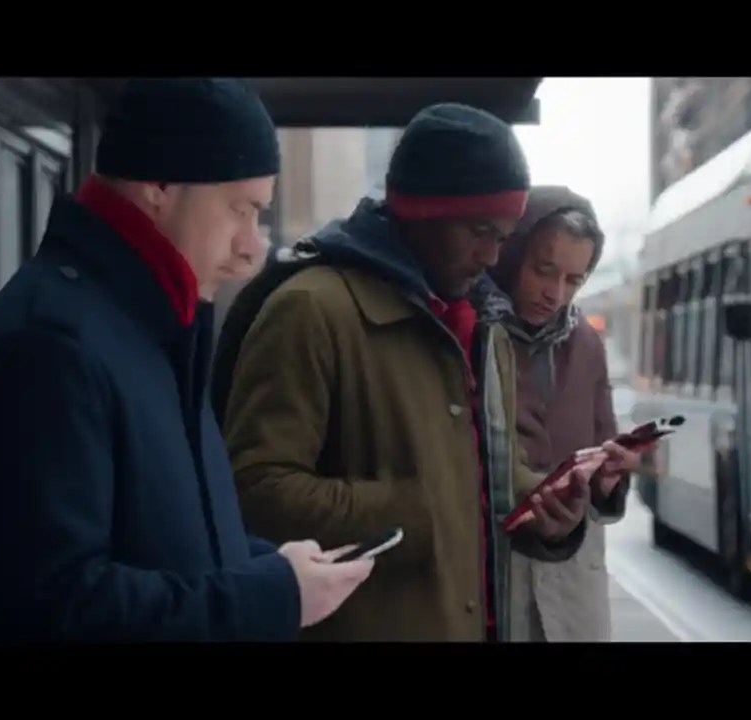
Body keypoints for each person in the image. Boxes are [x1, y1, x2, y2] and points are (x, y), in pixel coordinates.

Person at [0, 78, 373, 642]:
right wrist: (269, 596)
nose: (254, 247)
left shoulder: (151, 328)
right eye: (241, 211)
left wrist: (265, 565)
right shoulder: (48, 348)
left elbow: (160, 542)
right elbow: (55, 609)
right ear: (160, 185)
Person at [214, 103, 615, 642]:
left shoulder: (485, 324)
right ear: (423, 211)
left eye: (503, 234)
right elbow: (254, 492)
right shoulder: (312, 311)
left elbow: (490, 469)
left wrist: (544, 505)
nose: (492, 254)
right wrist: (419, 513)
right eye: (479, 231)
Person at [477, 186, 642, 642]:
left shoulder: (585, 343)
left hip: (572, 588)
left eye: (574, 280)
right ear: (511, 255)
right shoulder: (473, 333)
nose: (555, 294)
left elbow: (604, 444)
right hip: (496, 576)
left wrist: (611, 477)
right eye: (544, 271)